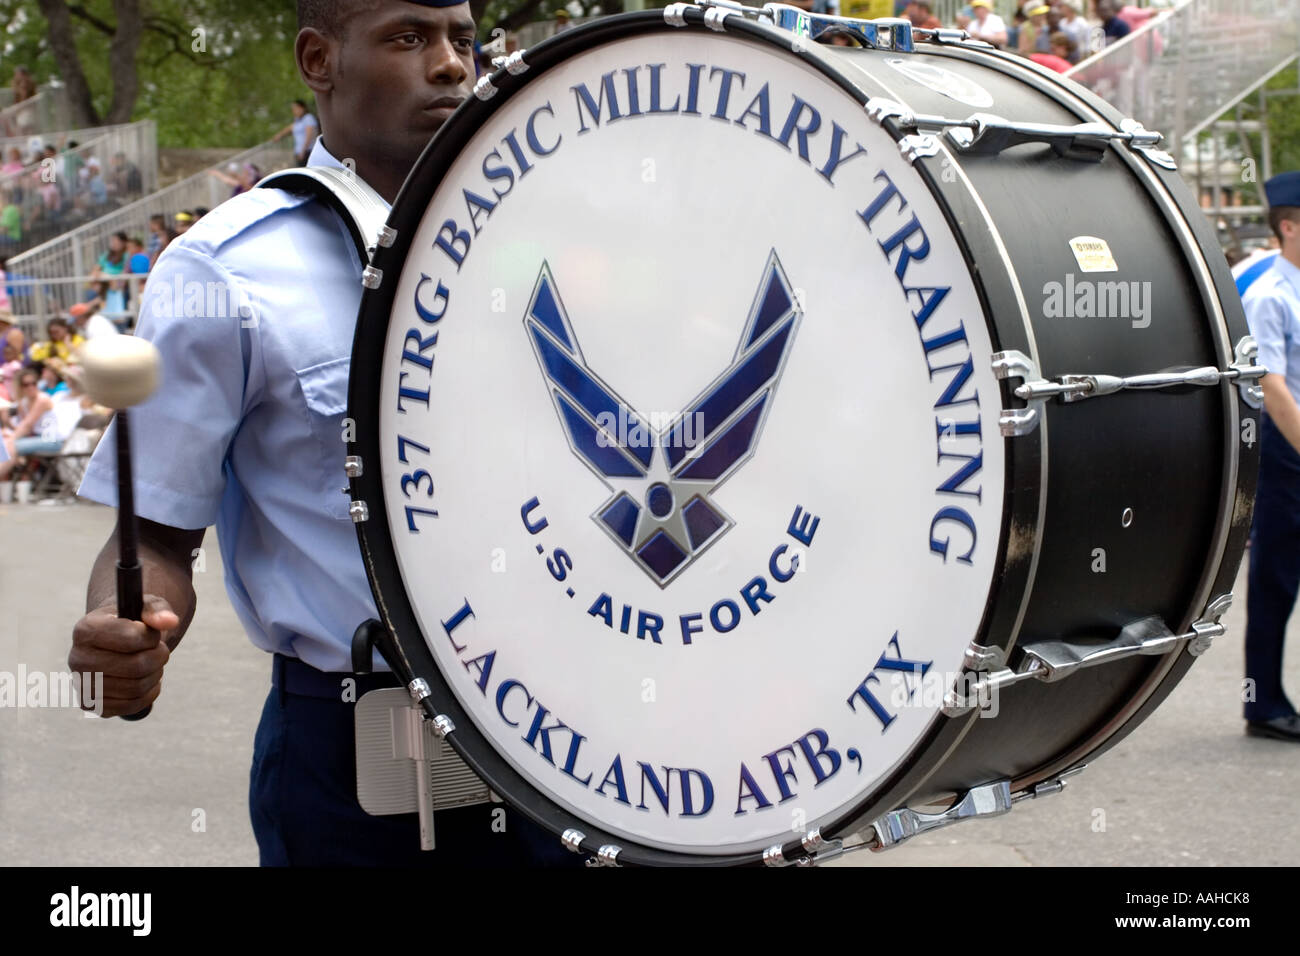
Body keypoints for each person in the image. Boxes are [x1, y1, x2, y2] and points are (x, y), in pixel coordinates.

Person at [71, 0, 582, 869]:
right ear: (319, 60)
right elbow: (154, 531)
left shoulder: (548, 238)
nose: (453, 65)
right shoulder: (224, 269)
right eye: (409, 37)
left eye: (464, 39)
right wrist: (123, 633)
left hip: (574, 736)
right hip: (357, 766)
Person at [1241, 171, 1300, 743]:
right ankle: (1264, 703)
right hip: (1289, 450)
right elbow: (1274, 386)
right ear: (1288, 226)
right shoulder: (1269, 297)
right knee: (1276, 581)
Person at [273, 99, 321, 166]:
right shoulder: (297, 121)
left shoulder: (308, 118)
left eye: (296, 108)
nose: (294, 111)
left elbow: (309, 136)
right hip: (299, 152)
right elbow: (289, 128)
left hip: (307, 152)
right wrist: (278, 136)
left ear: (302, 108)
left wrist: (303, 151)